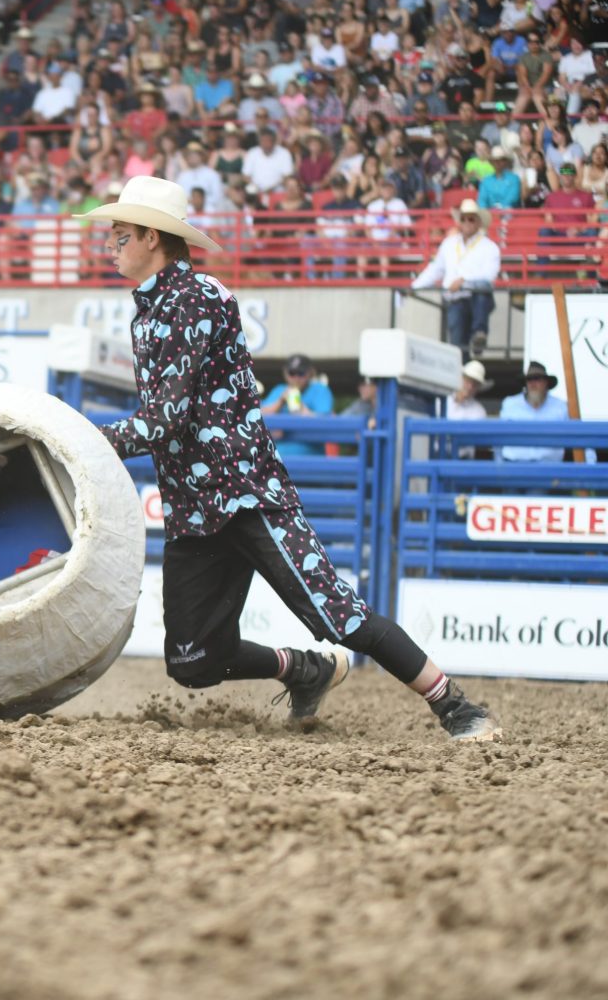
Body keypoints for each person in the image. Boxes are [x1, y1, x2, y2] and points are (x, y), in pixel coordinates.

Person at [77, 175, 499, 740]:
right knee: (191, 660)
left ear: (152, 237)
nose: (111, 244)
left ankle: (456, 706)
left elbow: (168, 415)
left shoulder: (196, 297)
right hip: (195, 504)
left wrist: (96, 439)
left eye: (120, 234)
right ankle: (305, 670)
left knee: (337, 613)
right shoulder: (152, 310)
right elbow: (170, 414)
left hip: (245, 492)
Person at [410, 199, 501, 360]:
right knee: (457, 347)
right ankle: (477, 337)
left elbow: (490, 275)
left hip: (475, 297)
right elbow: (436, 269)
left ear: (479, 222)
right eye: (463, 218)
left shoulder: (489, 246)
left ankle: (479, 333)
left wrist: (463, 281)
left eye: (471, 218)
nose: (467, 222)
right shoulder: (449, 243)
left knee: (481, 289)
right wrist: (415, 286)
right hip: (455, 299)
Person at [498, 362, 574, 462]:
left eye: (537, 378)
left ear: (546, 382)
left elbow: (579, 435)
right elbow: (499, 438)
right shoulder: (510, 404)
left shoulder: (561, 407)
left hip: (549, 468)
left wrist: (589, 466)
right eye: (529, 379)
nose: (532, 383)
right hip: (515, 466)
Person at [260, 353, 334, 455]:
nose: (296, 377)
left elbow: (323, 422)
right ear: (285, 373)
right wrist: (280, 402)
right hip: (278, 462)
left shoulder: (320, 390)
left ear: (310, 373)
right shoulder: (279, 390)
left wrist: (300, 407)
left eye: (301, 373)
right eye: (292, 373)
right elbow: (259, 415)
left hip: (310, 462)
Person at [448, 359, 491, 458]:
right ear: (461, 379)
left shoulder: (479, 411)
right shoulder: (442, 401)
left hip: (463, 461)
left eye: (475, 383)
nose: (470, 386)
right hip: (439, 457)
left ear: (478, 388)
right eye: (468, 380)